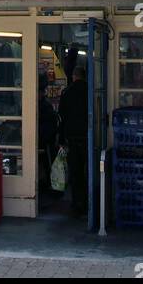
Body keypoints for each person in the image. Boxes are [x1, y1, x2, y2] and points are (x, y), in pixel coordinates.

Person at [58, 63, 88, 216]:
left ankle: (77, 203)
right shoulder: (89, 92)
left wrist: (62, 139)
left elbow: (61, 116)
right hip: (87, 136)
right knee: (88, 170)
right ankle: (89, 201)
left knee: (75, 172)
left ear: (73, 76)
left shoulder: (67, 93)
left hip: (72, 136)